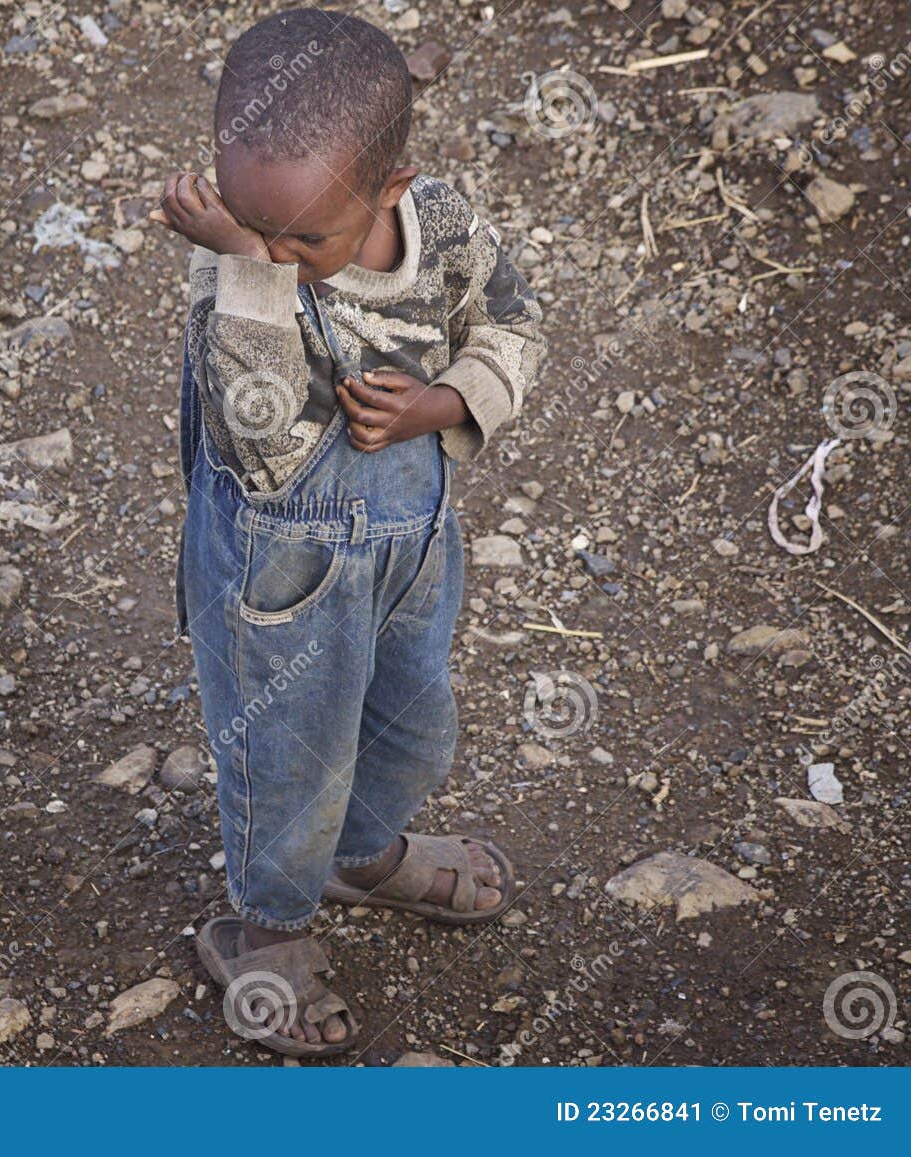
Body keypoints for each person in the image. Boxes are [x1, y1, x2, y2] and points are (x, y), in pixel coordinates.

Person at [152, 7, 544, 1057]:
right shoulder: (233, 275)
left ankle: (360, 853)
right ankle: (263, 927)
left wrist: (445, 402)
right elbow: (262, 448)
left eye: (299, 240)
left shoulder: (444, 229)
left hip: (410, 543)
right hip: (283, 571)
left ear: (391, 190)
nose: (273, 252)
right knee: (287, 754)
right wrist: (244, 261)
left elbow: (513, 318)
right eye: (247, 221)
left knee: (411, 723)